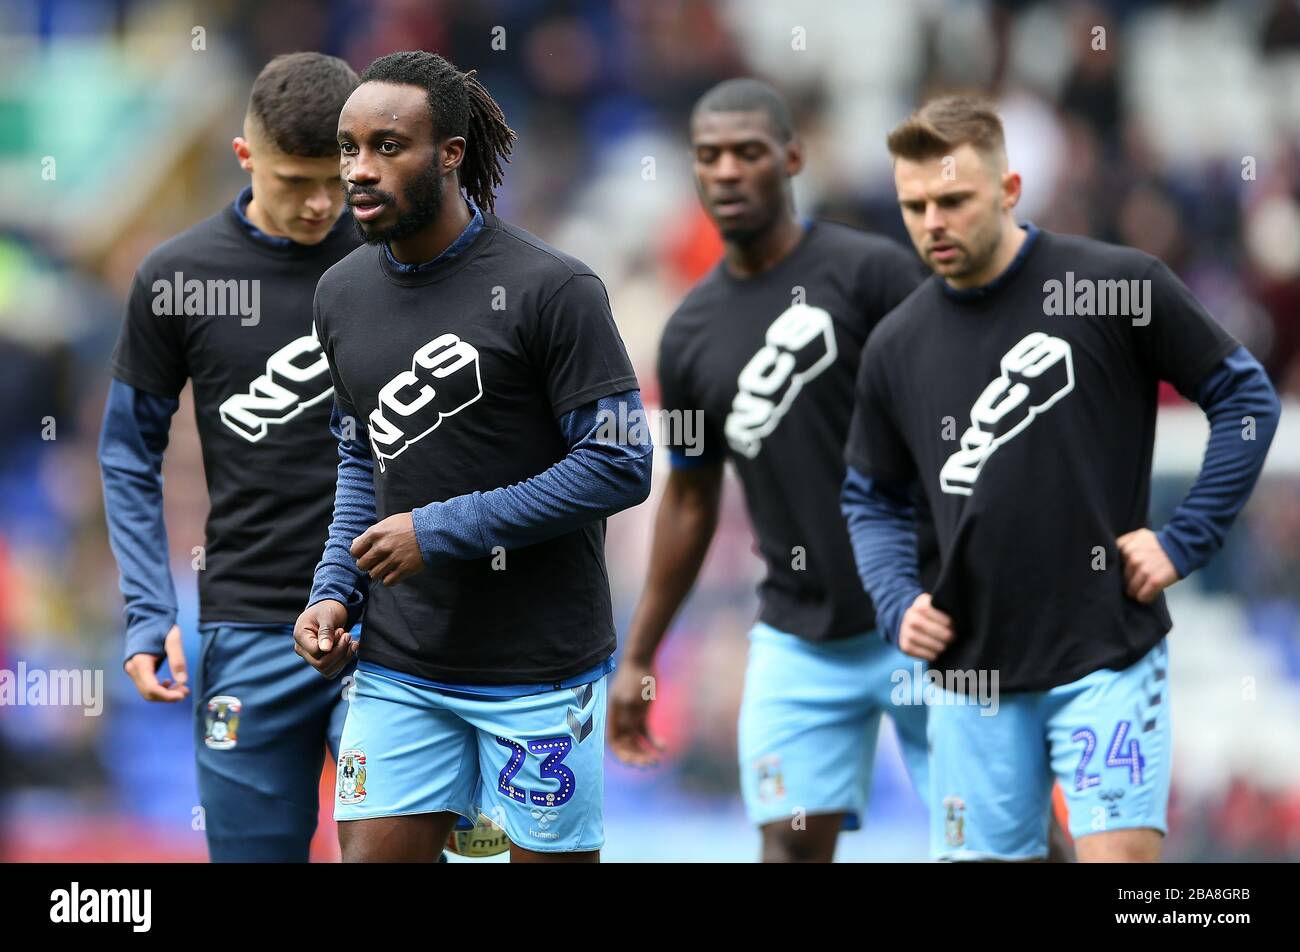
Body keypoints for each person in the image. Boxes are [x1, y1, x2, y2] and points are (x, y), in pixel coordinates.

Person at [842, 95, 1280, 862]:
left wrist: (1186, 540)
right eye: (914, 206)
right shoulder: (895, 344)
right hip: (969, 673)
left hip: (1105, 651)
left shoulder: (1114, 286)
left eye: (953, 200)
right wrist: (894, 597)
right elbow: (871, 496)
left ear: (1010, 191)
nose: (931, 222)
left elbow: (1244, 397)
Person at [294, 50, 652, 863]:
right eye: (349, 148)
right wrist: (335, 590)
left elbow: (619, 463)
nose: (359, 169)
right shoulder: (341, 294)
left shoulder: (552, 289)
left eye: (388, 146)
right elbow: (362, 456)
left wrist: (440, 529)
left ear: (450, 154)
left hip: (538, 672)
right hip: (400, 666)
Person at [608, 78, 930, 863]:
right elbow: (689, 496)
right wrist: (642, 654)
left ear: (790, 157)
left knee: (1009, 841)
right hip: (800, 632)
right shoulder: (688, 336)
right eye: (708, 156)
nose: (726, 171)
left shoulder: (874, 277)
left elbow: (961, 430)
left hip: (929, 617)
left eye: (747, 153)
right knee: (786, 850)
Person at [100, 53, 362, 861]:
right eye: (295, 180)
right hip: (251, 625)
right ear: (245, 158)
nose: (321, 203)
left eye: (336, 178)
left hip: (393, 628)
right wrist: (150, 611)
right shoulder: (177, 277)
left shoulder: (403, 262)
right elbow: (126, 453)